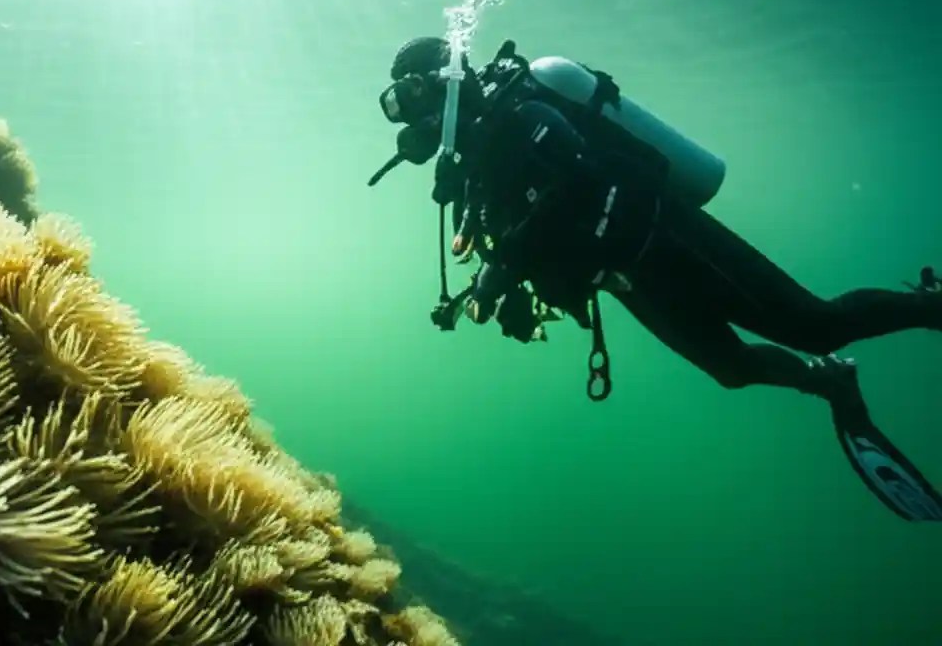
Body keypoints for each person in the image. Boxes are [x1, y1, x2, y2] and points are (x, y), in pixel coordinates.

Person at [369, 35, 942, 522]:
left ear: (445, 81)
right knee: (732, 369)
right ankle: (829, 384)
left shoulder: (521, 112)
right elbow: (517, 234)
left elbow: (572, 181)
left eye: (413, 93)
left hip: (671, 239)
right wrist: (506, 287)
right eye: (397, 103)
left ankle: (928, 306)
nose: (409, 112)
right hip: (631, 280)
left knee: (813, 324)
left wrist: (502, 267)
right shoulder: (473, 165)